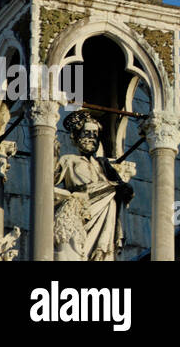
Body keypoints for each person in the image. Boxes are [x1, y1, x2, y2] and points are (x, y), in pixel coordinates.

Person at [53, 110, 133, 261]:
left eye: (95, 134)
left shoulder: (102, 164)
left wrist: (121, 189)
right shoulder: (69, 160)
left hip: (105, 211)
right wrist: (53, 156)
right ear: (75, 138)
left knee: (102, 251)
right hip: (81, 212)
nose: (91, 138)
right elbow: (49, 181)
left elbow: (122, 188)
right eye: (87, 133)